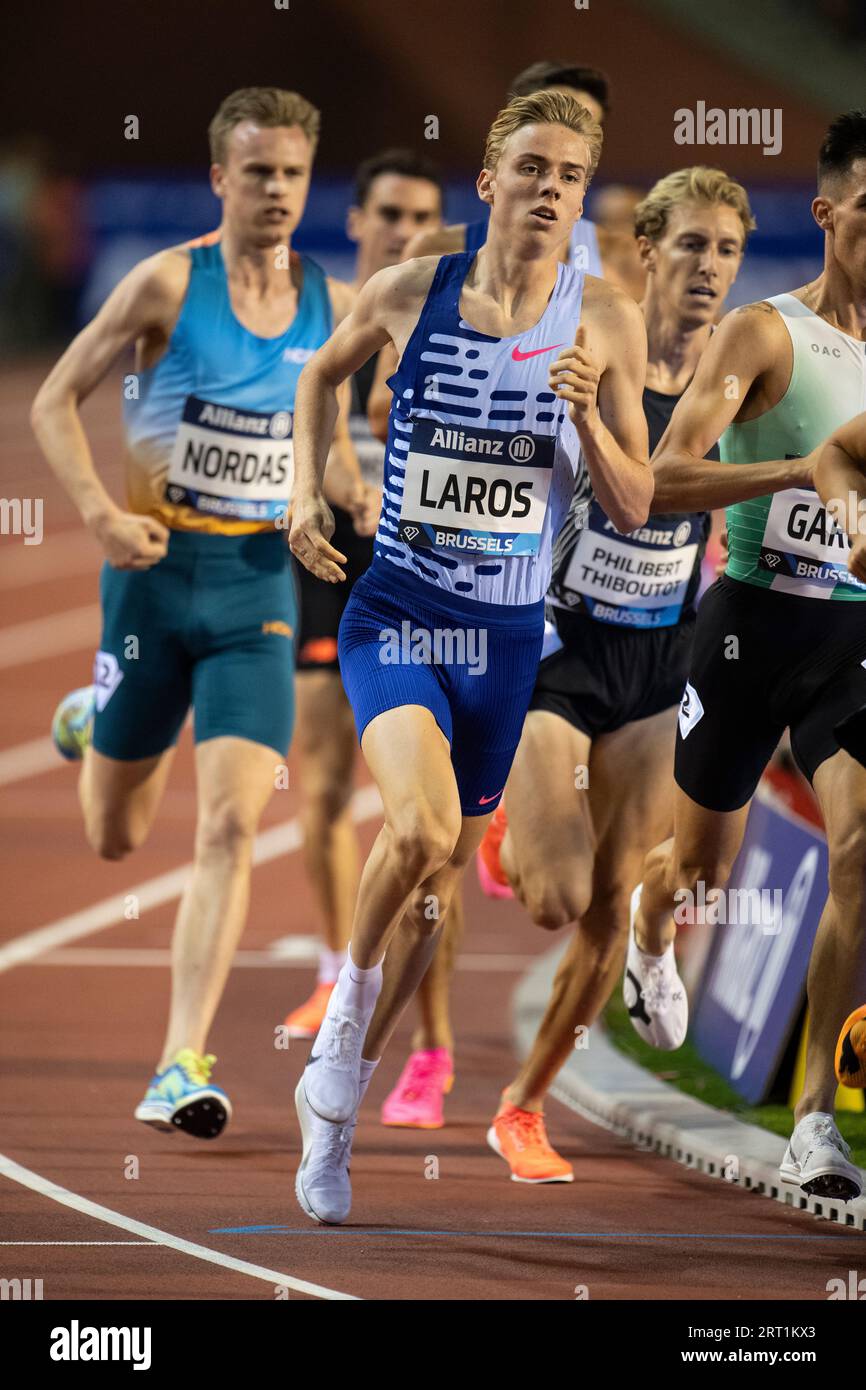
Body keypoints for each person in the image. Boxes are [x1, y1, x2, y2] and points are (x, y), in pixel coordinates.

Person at [289, 89, 652, 1223]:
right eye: (531, 169)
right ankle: (345, 1027)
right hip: (396, 607)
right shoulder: (411, 292)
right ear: (487, 184)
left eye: (570, 177)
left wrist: (588, 420)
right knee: (422, 828)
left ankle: (335, 1114)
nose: (550, 190)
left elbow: (636, 506)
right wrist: (309, 486)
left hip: (505, 641)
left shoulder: (604, 324)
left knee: (436, 894)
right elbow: (315, 375)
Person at [37, 86, 371, 1138]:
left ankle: (179, 1059)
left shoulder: (335, 303)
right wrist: (97, 511)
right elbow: (55, 398)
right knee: (113, 836)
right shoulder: (163, 286)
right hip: (147, 577)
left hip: (252, 591)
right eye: (257, 172)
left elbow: (335, 432)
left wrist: (332, 481)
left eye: (292, 174)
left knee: (231, 821)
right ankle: (95, 719)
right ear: (220, 178)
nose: (275, 191)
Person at [473, 167, 752, 1181]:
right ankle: (507, 832)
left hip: (657, 658)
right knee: (552, 896)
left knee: (605, 902)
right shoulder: (594, 343)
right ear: (645, 252)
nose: (706, 267)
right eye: (687, 245)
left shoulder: (743, 368)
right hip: (563, 646)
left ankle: (523, 1105)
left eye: (723, 248)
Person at [627, 109, 866, 1202]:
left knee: (856, 846)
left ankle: (812, 1119)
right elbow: (661, 480)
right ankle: (644, 928)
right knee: (696, 874)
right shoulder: (765, 335)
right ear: (826, 215)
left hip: (850, 636)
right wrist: (795, 474)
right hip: (743, 624)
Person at [284, 149, 444, 1044]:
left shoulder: (451, 311)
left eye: (422, 218)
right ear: (356, 221)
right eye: (388, 214)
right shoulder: (345, 314)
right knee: (321, 777)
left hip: (432, 573)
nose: (404, 231)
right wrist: (339, 479)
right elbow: (316, 408)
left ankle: (411, 1011)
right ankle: (326, 963)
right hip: (339, 559)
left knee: (421, 810)